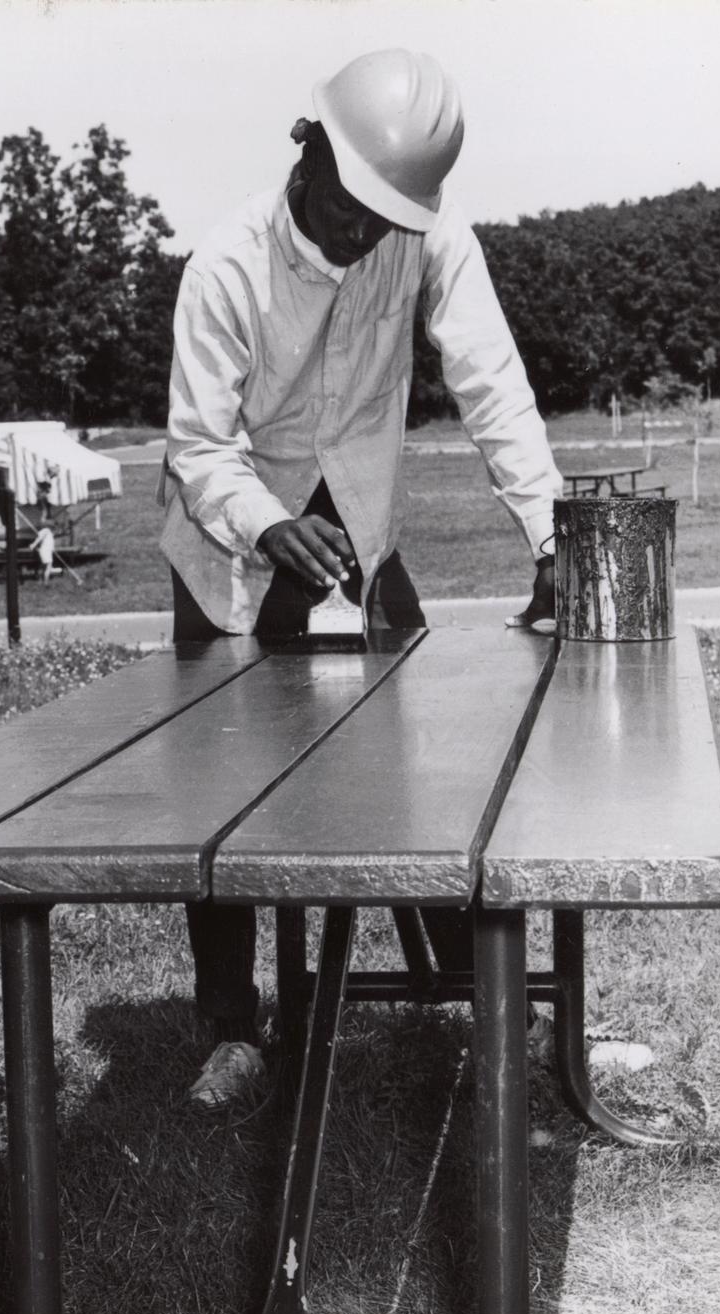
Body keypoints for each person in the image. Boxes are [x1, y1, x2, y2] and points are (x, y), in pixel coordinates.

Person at [159, 50, 561, 1108]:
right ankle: (231, 1027)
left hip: (361, 531)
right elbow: (199, 450)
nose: (361, 236)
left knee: (423, 774)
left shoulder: (428, 237)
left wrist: (550, 533)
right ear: (309, 147)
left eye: (384, 218)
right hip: (229, 546)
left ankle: (477, 997)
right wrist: (266, 525)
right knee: (224, 792)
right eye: (349, 211)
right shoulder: (225, 267)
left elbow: (493, 381)